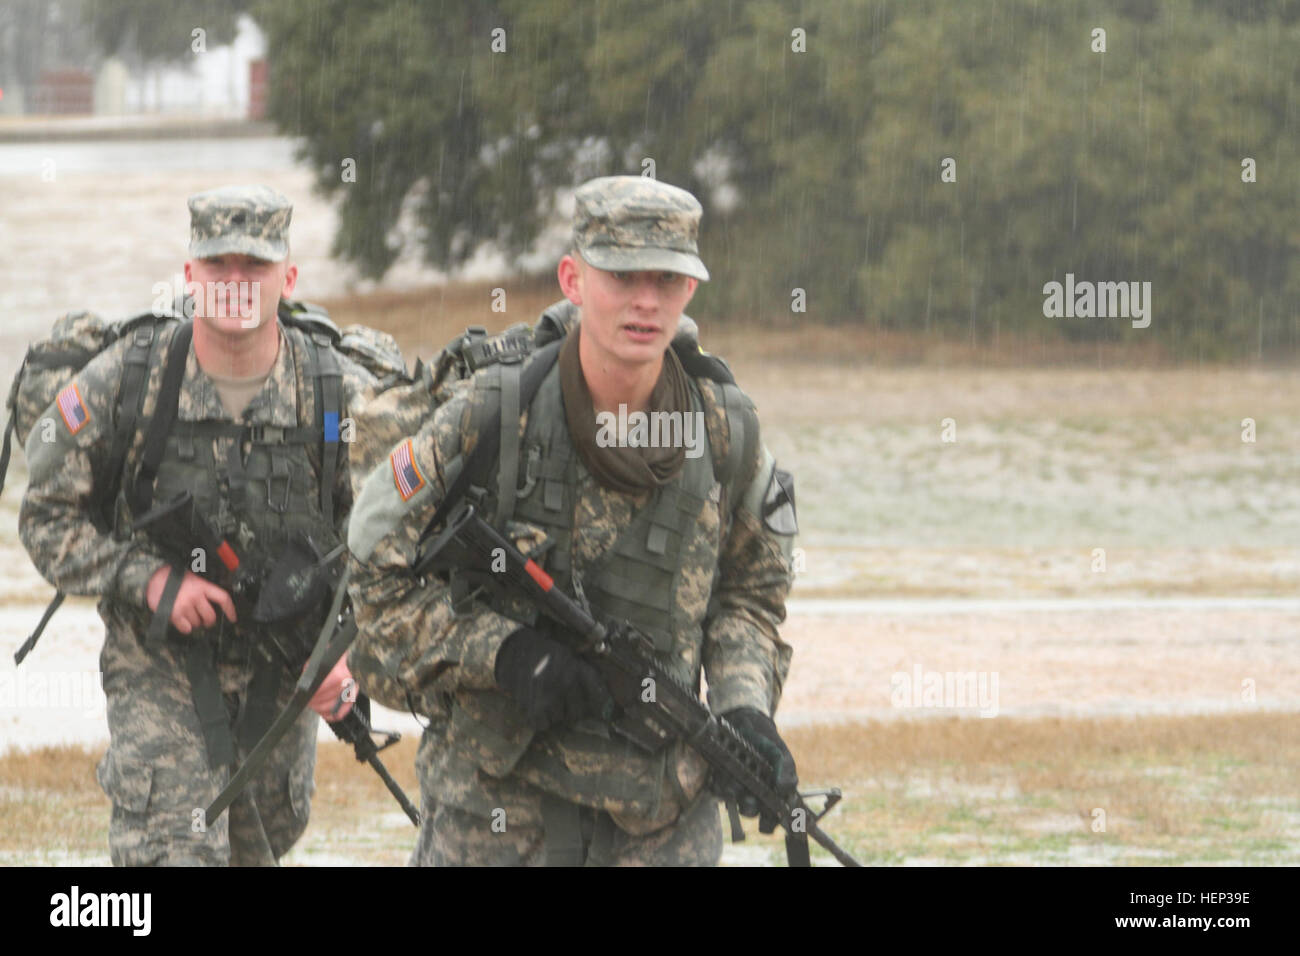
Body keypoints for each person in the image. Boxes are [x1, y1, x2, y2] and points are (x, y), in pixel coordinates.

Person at [346, 175, 799, 866]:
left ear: (690, 292)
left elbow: (751, 598)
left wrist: (744, 709)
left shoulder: (725, 430)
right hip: (493, 818)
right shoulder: (495, 413)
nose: (645, 300)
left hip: (661, 827)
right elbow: (377, 584)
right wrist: (501, 653)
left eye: (665, 279)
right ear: (574, 278)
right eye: (621, 275)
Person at [20, 185, 372, 866]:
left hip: (285, 673)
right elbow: (45, 518)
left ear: (288, 279)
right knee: (173, 849)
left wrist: (348, 653)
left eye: (255, 268)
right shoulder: (128, 380)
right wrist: (147, 579)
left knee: (264, 845)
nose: (236, 284)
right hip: (161, 669)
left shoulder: (337, 391)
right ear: (190, 275)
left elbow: (395, 542)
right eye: (218, 267)